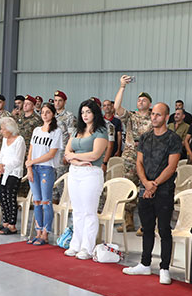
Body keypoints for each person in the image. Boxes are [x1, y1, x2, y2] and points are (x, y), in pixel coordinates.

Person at [123, 103, 182, 283]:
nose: (154, 117)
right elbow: (139, 163)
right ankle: (145, 264)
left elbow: (171, 167)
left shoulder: (173, 139)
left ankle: (164, 268)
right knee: (146, 228)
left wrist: (154, 184)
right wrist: (146, 184)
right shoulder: (145, 137)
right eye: (153, 114)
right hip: (145, 189)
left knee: (164, 229)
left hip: (164, 191)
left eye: (158, 115)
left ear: (166, 117)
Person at [63, 100, 109, 259]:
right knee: (77, 211)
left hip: (91, 173)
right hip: (75, 172)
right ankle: (75, 245)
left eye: (88, 112)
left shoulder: (101, 130)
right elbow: (67, 152)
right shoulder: (77, 130)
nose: (85, 115)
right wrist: (77, 160)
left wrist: (75, 156)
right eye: (83, 112)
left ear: (95, 113)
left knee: (89, 212)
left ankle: (87, 248)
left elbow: (95, 154)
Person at [114, 76, 154, 232]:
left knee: (146, 189)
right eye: (139, 100)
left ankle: (145, 223)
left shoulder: (154, 118)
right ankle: (128, 220)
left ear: (149, 104)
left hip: (148, 158)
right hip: (131, 157)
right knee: (129, 187)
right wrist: (122, 87)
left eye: (144, 100)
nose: (141, 102)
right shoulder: (131, 117)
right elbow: (117, 107)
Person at [25, 102, 63, 245]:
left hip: (46, 168)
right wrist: (29, 166)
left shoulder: (56, 131)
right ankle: (38, 231)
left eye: (47, 112)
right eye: (42, 112)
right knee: (37, 201)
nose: (44, 115)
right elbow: (31, 149)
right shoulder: (36, 130)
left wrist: (32, 161)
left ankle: (45, 233)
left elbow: (51, 154)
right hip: (34, 168)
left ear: (53, 114)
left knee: (46, 201)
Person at [0, 117, 25, 235]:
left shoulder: (19, 140)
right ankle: (5, 221)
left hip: (13, 173)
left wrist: (5, 166)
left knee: (10, 197)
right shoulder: (4, 139)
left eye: (3, 129)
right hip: (3, 171)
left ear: (10, 129)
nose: (1, 131)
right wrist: (0, 166)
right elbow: (1, 154)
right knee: (2, 197)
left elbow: (18, 159)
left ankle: (12, 225)